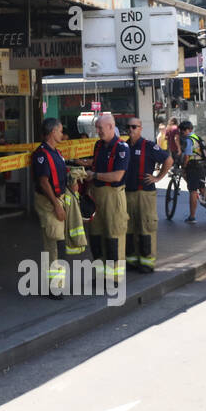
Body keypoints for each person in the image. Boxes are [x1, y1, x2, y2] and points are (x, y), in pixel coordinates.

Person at [31, 118, 87, 298]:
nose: (62, 134)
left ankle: (58, 284)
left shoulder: (57, 153)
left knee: (60, 245)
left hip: (60, 200)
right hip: (50, 203)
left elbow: (59, 176)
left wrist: (72, 185)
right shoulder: (41, 154)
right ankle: (54, 288)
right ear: (52, 132)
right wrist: (56, 205)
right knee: (54, 244)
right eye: (60, 131)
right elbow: (43, 181)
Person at [124, 118, 172, 273]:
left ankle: (147, 262)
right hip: (127, 193)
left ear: (140, 128)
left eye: (134, 127)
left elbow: (168, 160)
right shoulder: (123, 146)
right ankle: (131, 260)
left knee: (146, 226)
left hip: (145, 193)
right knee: (129, 228)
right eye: (128, 127)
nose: (130, 129)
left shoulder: (149, 146)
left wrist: (158, 177)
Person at [86, 112, 130, 285]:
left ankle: (115, 278)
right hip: (97, 195)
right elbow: (96, 165)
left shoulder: (122, 148)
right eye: (97, 128)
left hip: (113, 196)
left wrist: (94, 175)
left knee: (113, 236)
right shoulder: (98, 146)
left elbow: (117, 176)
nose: (98, 131)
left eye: (100, 128)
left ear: (111, 127)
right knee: (96, 237)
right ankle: (101, 275)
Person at [179, 120, 206, 222]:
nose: (182, 132)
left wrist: (184, 167)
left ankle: (192, 217)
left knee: (192, 191)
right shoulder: (197, 137)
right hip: (202, 166)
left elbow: (187, 156)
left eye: (184, 129)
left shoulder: (189, 140)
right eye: (181, 130)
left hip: (194, 167)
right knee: (202, 188)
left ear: (189, 129)